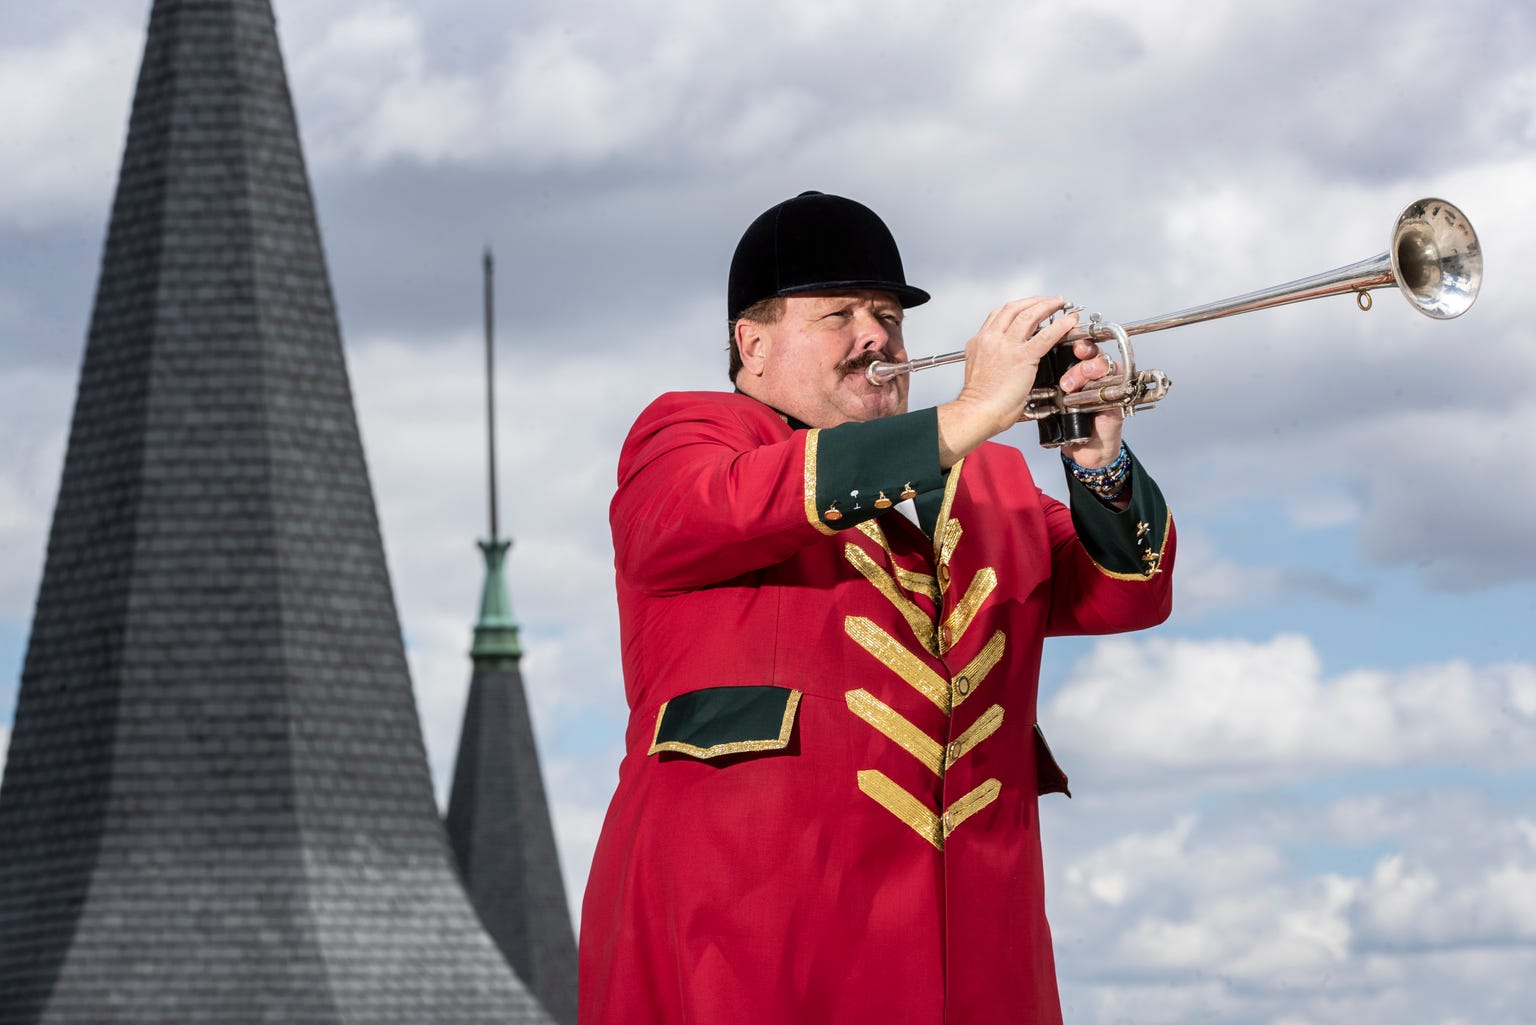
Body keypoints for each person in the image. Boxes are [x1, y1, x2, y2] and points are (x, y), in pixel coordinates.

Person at [579, 191, 1175, 1025]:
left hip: (976, 952)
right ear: (751, 344)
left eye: (889, 314)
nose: (877, 337)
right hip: (751, 950)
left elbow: (1125, 593)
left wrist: (1098, 459)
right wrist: (966, 414)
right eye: (840, 315)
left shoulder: (992, 482)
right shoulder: (690, 435)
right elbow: (718, 510)